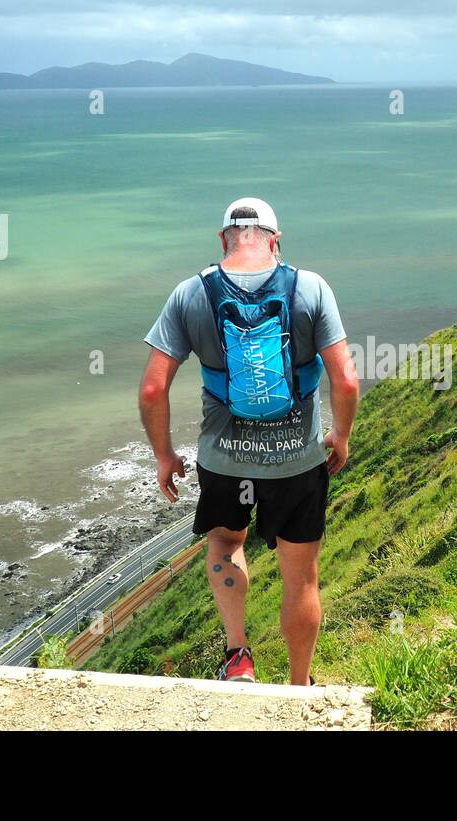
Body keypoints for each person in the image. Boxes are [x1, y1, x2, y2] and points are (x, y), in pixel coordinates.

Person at [138, 197, 359, 685]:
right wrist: (340, 436)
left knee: (224, 542)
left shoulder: (190, 294)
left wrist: (163, 454)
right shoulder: (311, 288)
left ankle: (238, 656)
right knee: (301, 577)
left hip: (226, 461)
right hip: (296, 463)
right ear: (275, 239)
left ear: (224, 239)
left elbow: (154, 388)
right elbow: (345, 381)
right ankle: (299, 684)